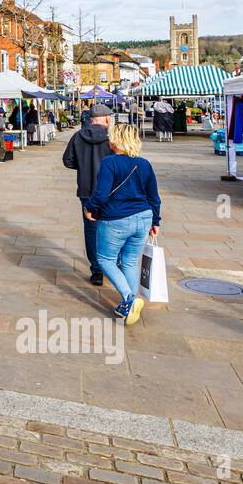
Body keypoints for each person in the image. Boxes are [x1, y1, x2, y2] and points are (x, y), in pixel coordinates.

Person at [84, 123, 161, 324]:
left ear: (116, 140)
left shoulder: (110, 163)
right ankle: (129, 304)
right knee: (129, 261)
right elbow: (154, 196)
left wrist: (90, 208)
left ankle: (128, 299)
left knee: (105, 259)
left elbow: (101, 194)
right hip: (143, 217)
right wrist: (156, 220)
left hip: (116, 219)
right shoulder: (145, 164)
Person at [63, 103, 115, 285]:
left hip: (86, 190)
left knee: (91, 230)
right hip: (110, 191)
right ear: (107, 119)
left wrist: (83, 167)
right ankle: (111, 266)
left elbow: (67, 161)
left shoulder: (78, 136)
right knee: (111, 230)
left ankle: (97, 271)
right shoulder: (112, 137)